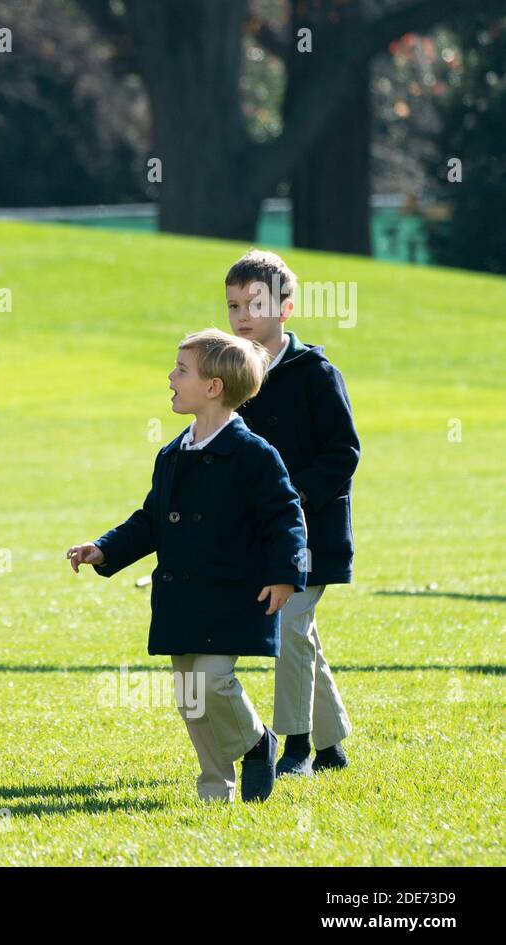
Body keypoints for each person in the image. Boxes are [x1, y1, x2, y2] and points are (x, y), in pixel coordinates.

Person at [67, 329, 307, 803]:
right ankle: (216, 787)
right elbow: (151, 520)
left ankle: (258, 741)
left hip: (235, 596)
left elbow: (286, 515)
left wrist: (284, 574)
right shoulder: (172, 454)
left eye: (181, 370)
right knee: (191, 699)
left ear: (213, 387)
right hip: (182, 601)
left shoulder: (254, 455)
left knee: (215, 681)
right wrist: (105, 548)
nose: (170, 377)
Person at [226, 249, 358, 775]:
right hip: (262, 535)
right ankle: (331, 746)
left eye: (254, 303)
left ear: (286, 308)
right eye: (234, 305)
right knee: (303, 635)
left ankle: (296, 747)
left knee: (289, 623)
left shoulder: (317, 373)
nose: (242, 316)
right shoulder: (234, 376)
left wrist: (290, 499)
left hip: (313, 532)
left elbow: (343, 453)